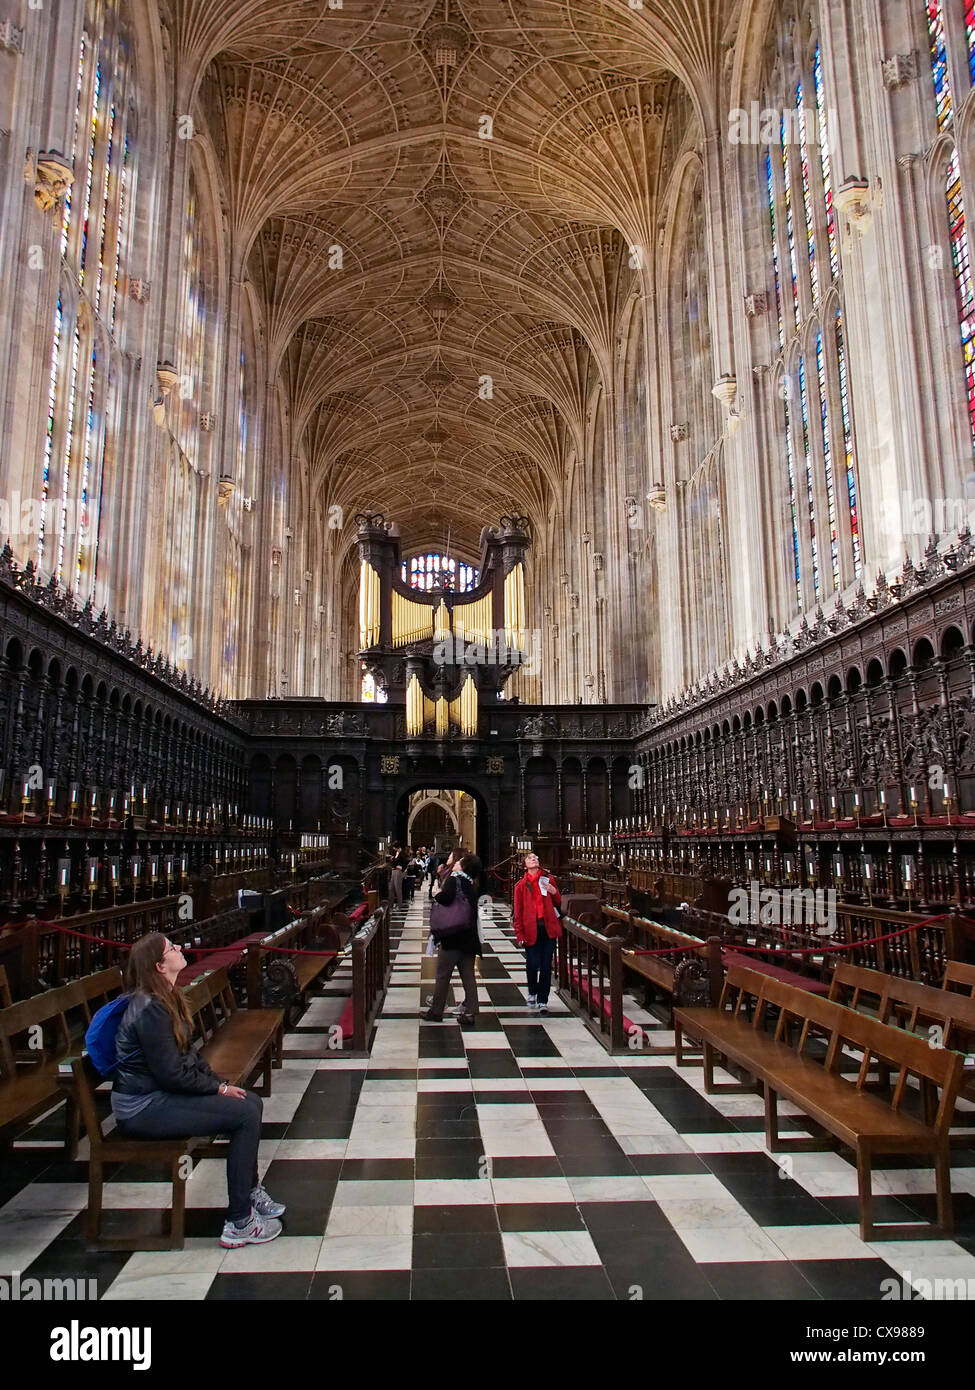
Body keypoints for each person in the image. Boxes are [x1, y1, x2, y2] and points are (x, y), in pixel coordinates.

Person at [111, 933, 286, 1248]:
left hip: (159, 1096)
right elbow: (171, 1075)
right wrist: (217, 1089)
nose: (179, 948)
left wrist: (220, 1084)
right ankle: (239, 1222)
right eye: (171, 948)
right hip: (143, 1108)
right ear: (159, 966)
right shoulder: (149, 1009)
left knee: (250, 1102)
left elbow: (188, 1055)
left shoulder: (166, 998)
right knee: (245, 1115)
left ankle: (249, 1193)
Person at [423, 853, 483, 1023]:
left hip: (453, 936)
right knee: (468, 976)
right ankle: (470, 1012)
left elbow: (446, 898)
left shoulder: (453, 880)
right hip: (469, 937)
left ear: (463, 866)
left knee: (443, 974)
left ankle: (436, 1011)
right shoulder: (471, 884)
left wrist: (437, 893)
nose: (456, 862)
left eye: (460, 861)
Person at [512, 852, 563, 1014]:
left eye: (536, 857)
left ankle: (543, 1000)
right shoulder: (521, 886)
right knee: (533, 964)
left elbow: (558, 901)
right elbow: (518, 912)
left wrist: (553, 891)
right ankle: (532, 991)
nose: (534, 859)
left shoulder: (548, 879)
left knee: (546, 966)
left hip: (547, 928)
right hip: (530, 930)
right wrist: (519, 933)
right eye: (530, 858)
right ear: (525, 865)